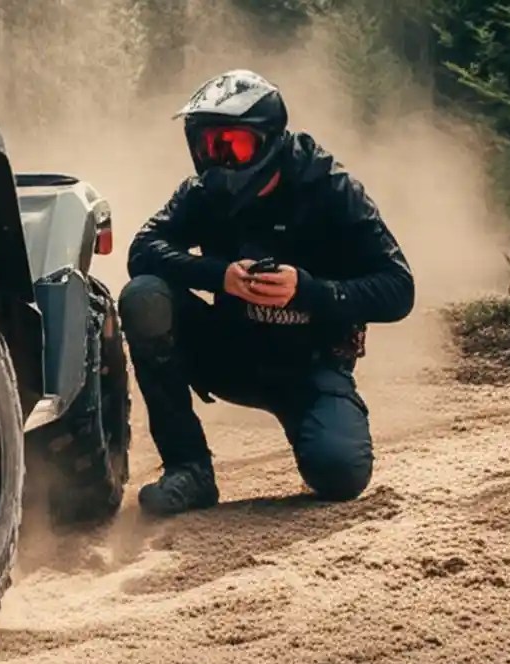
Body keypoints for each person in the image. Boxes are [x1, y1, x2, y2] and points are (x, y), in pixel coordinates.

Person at [118, 69, 415, 517]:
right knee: (144, 297)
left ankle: (318, 429)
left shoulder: (331, 189)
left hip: (310, 367)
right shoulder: (203, 193)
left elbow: (398, 288)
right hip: (230, 351)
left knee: (340, 475)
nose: (220, 161)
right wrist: (220, 276)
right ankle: (189, 468)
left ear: (270, 139)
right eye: (208, 145)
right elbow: (143, 250)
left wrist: (309, 290)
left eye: (233, 145)